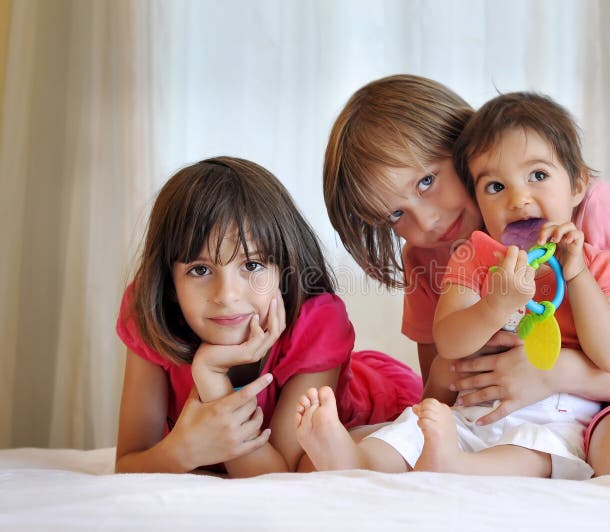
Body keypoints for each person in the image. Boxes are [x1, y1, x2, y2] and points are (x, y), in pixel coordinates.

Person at [318, 74, 610, 477]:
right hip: (508, 416)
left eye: (427, 181)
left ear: (464, 148)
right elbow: (442, 391)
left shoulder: (594, 211)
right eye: (395, 215)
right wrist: (448, 373)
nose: (428, 221)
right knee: (373, 443)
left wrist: (556, 372)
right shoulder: (428, 257)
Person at [115, 156, 421, 477]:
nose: (227, 296)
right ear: (169, 284)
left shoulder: (317, 324)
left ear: (284, 272)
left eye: (251, 265)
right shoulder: (150, 313)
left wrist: (212, 381)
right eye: (200, 270)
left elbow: (279, 476)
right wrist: (182, 451)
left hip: (370, 407)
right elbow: (128, 464)